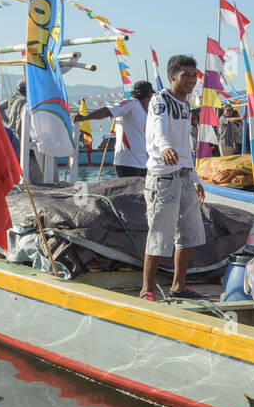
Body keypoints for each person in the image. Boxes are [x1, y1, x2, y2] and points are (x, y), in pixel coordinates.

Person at [141, 55, 206, 301]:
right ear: (172, 76)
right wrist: (165, 147)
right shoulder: (161, 100)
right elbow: (158, 128)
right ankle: (146, 289)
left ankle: (179, 286)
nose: (190, 80)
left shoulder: (185, 104)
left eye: (193, 75)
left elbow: (185, 146)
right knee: (159, 233)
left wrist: (195, 177)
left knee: (188, 233)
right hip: (163, 176)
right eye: (185, 75)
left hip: (184, 174)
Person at [74, 80, 152, 177]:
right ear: (149, 95)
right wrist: (86, 117)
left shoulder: (146, 112)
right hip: (127, 163)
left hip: (143, 163)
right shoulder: (131, 103)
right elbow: (108, 110)